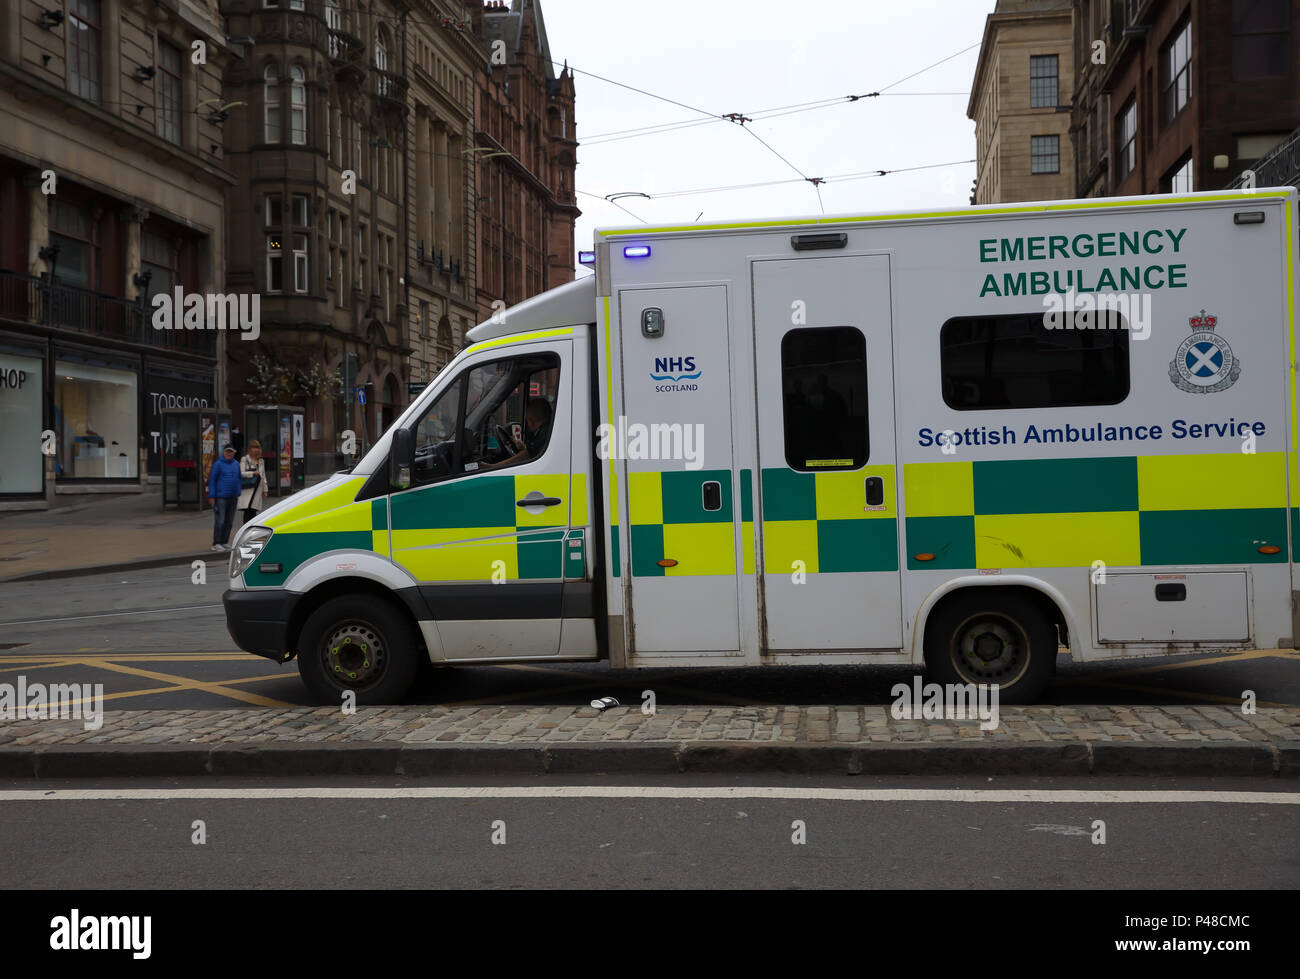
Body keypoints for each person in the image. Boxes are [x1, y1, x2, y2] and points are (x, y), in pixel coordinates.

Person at [483, 399, 551, 469]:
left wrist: (492, 466)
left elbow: (527, 456)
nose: (527, 425)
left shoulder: (545, 434)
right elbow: (533, 452)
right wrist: (522, 448)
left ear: (531, 421)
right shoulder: (548, 430)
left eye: (527, 421)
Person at [207, 444, 242, 551]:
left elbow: (239, 478)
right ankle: (216, 543)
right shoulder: (218, 464)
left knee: (229, 521)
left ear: (233, 453)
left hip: (233, 497)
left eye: (231, 451)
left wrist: (238, 491)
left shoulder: (236, 464)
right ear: (224, 452)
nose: (229, 453)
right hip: (221, 497)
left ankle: (224, 541)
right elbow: (212, 480)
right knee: (220, 520)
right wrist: (212, 496)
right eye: (227, 451)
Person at [238, 439, 267, 526]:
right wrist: (252, 473)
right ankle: (245, 530)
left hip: (257, 488)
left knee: (253, 512)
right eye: (253, 448)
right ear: (250, 449)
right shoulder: (245, 459)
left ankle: (251, 531)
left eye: (257, 448)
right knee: (247, 511)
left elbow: (263, 475)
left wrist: (265, 490)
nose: (255, 450)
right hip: (248, 489)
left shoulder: (261, 461)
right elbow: (240, 473)